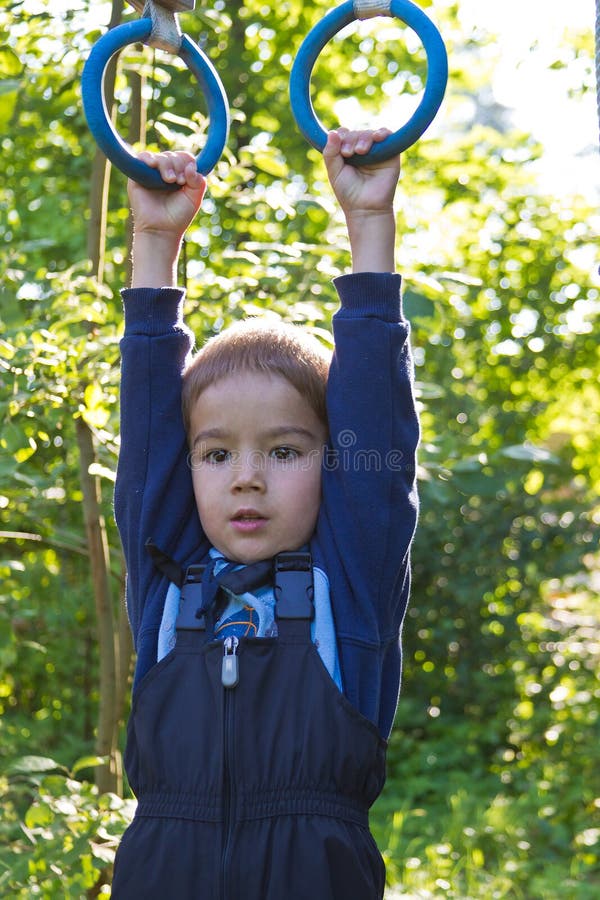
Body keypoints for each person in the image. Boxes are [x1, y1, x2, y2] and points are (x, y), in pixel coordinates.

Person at [111, 128, 420, 899]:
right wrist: (154, 239)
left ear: (333, 462)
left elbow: (375, 435)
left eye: (284, 452)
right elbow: (151, 438)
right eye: (216, 455)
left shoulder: (345, 589)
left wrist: (370, 228)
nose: (246, 479)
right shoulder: (168, 578)